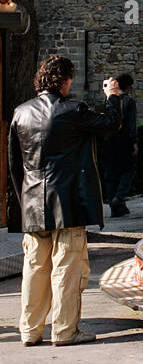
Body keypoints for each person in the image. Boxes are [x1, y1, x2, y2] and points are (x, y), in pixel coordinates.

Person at [8, 56, 122, 347]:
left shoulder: (20, 113)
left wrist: (24, 198)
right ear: (66, 79)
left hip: (33, 200)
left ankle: (30, 331)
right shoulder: (72, 110)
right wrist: (113, 97)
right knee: (66, 268)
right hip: (68, 200)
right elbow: (111, 124)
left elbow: (14, 163)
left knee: (34, 268)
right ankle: (64, 330)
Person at [102, 72, 137, 216]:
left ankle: (114, 203)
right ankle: (119, 198)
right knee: (129, 170)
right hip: (125, 140)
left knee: (112, 173)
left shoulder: (111, 99)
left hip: (111, 140)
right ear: (128, 86)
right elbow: (131, 123)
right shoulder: (129, 101)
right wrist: (134, 141)